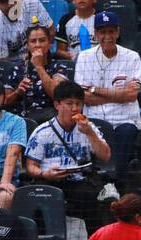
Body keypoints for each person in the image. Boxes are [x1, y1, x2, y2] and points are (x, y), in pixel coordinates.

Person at [22, 80, 114, 226]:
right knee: (38, 202)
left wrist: (90, 134)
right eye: (69, 103)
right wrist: (43, 174)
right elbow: (31, 166)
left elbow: (106, 156)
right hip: (49, 181)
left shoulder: (89, 127)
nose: (75, 108)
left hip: (80, 181)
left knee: (97, 202)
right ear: (57, 104)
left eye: (78, 104)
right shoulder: (42, 132)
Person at [72, 10, 141, 178]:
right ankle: (108, 184)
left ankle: (117, 182)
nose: (107, 36)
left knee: (127, 132)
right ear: (96, 34)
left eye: (111, 31)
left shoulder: (132, 57)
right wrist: (119, 95)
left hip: (123, 119)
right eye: (102, 32)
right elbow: (83, 97)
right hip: (94, 120)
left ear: (117, 32)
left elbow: (131, 95)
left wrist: (95, 90)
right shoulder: (84, 57)